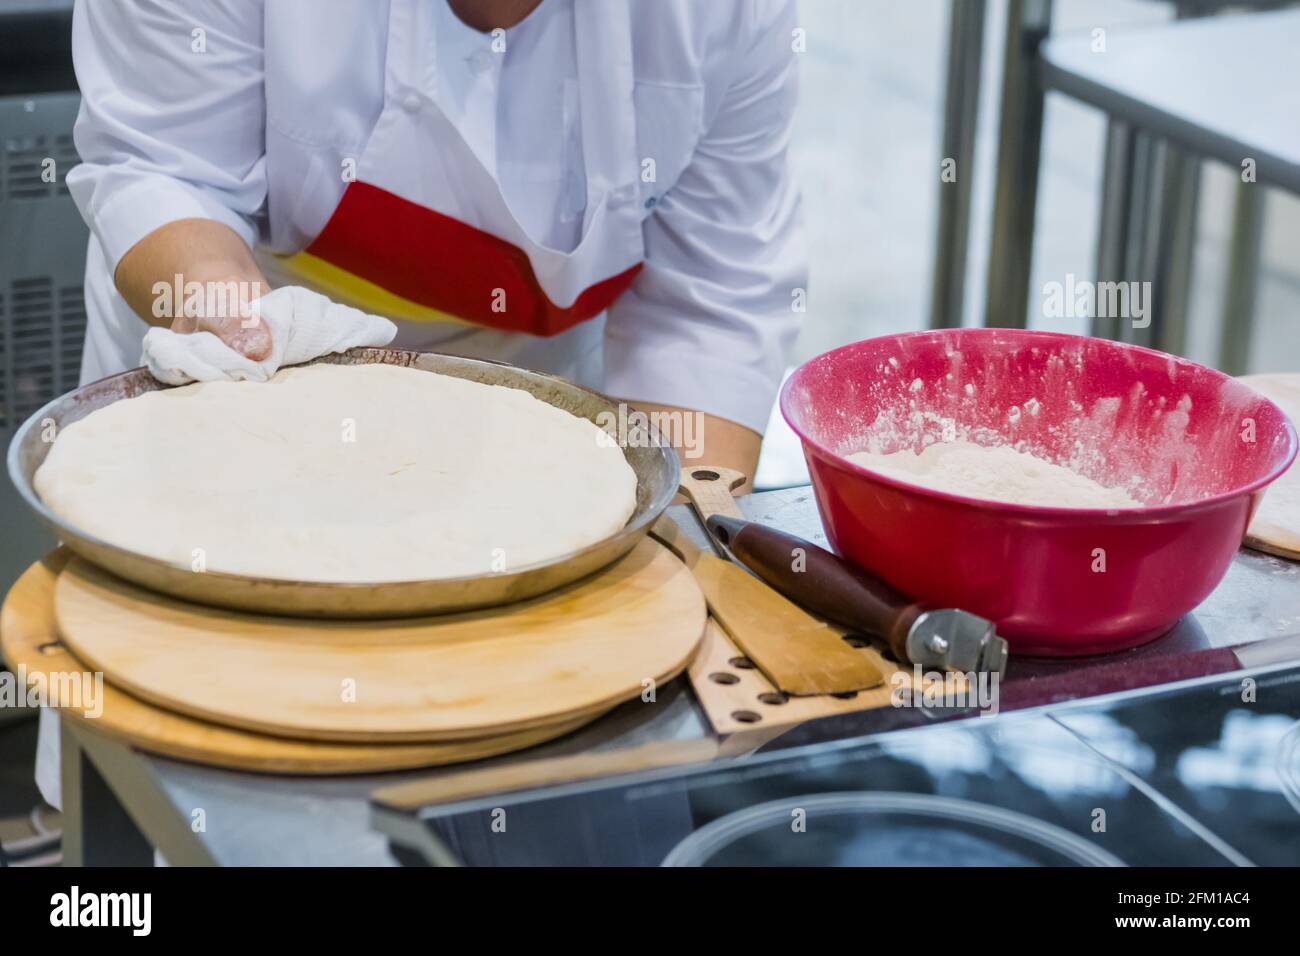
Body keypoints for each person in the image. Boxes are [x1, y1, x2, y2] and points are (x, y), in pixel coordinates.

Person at [37, 0, 805, 813]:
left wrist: (671, 556)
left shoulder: (723, 13)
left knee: (520, 799)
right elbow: (164, 167)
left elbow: (711, 309)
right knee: (223, 810)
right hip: (237, 389)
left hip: (538, 418)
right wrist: (243, 326)